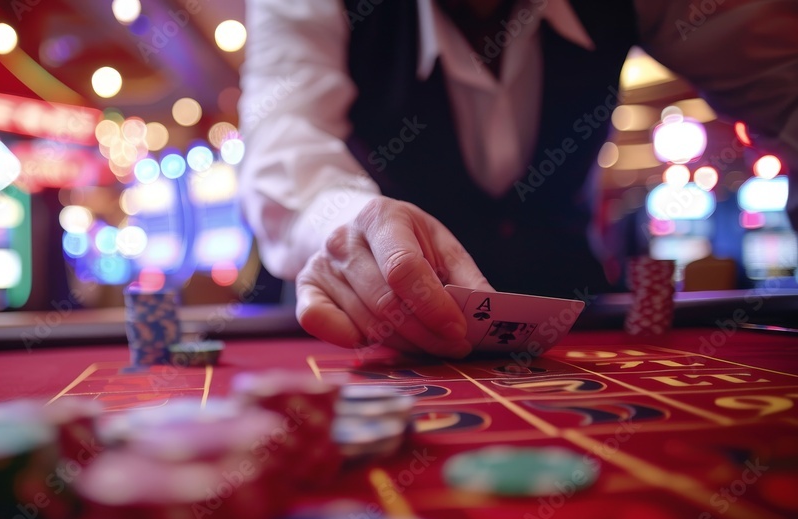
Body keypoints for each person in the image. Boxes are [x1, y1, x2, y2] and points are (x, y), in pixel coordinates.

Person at [238, 0, 798, 357]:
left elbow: (783, 78)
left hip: (571, 319)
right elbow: (285, 140)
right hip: (374, 333)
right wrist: (350, 223)